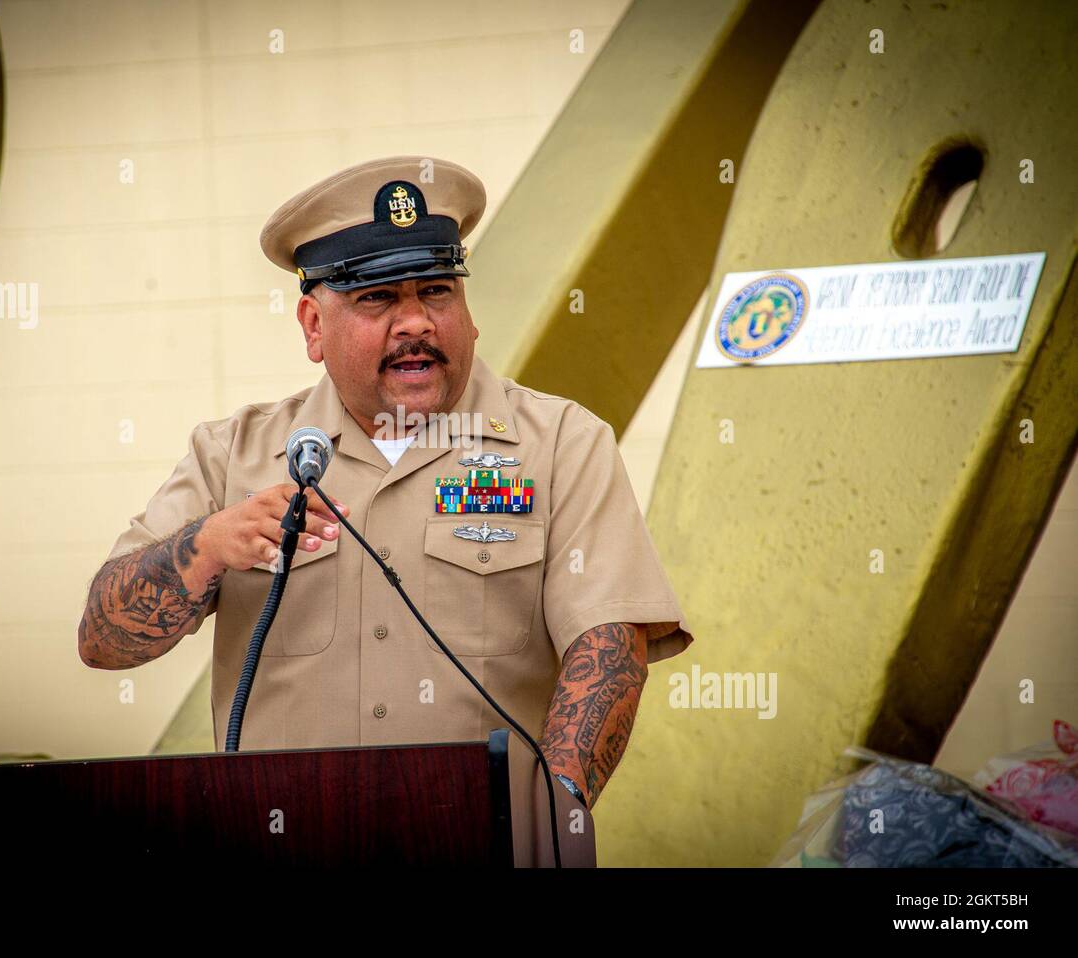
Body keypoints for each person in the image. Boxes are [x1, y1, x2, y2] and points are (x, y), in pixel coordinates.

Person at [77, 155, 694, 809]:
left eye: (436, 291)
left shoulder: (563, 443)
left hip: (483, 848)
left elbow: (609, 645)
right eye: (378, 298)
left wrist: (551, 816)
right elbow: (103, 643)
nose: (417, 323)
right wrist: (205, 548)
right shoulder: (233, 455)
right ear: (314, 326)